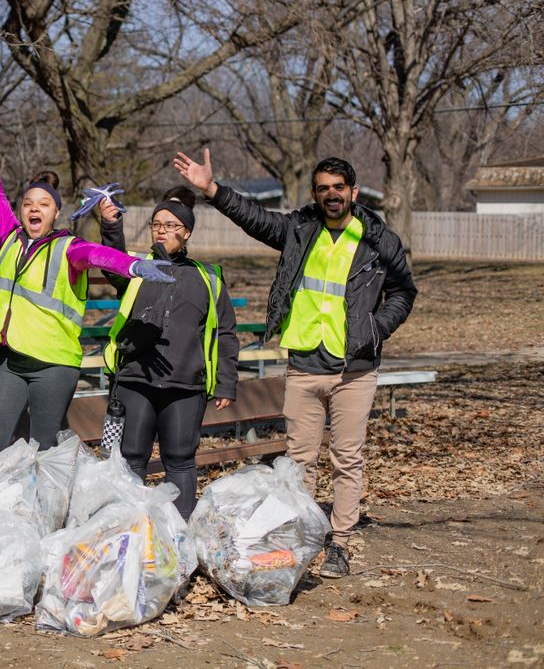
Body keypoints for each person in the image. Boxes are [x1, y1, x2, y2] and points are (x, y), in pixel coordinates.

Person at [175, 149, 417, 578]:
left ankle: (340, 542)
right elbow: (256, 218)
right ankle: (304, 538)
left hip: (354, 368)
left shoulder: (379, 239)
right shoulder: (300, 228)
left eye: (338, 188)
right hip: (305, 364)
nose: (331, 195)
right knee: (299, 460)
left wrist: (375, 329)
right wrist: (211, 189)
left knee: (347, 458)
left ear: (354, 192)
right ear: (315, 194)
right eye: (323, 189)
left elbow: (404, 292)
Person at [0, 117, 174, 462]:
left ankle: (46, 515)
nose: (34, 208)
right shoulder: (8, 237)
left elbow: (99, 255)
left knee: (45, 451)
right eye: (28, 203)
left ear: (56, 213)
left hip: (54, 365)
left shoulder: (69, 248)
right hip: (10, 361)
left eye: (43, 204)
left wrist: (133, 265)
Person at [99, 186, 240, 519]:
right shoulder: (136, 268)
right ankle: (132, 532)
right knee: (131, 456)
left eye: (172, 225)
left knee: (179, 458)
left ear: (187, 232)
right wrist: (110, 227)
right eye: (157, 224)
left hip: (185, 387)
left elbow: (226, 333)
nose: (163, 230)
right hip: (135, 380)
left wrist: (226, 383)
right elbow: (110, 264)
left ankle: (178, 538)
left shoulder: (208, 277)